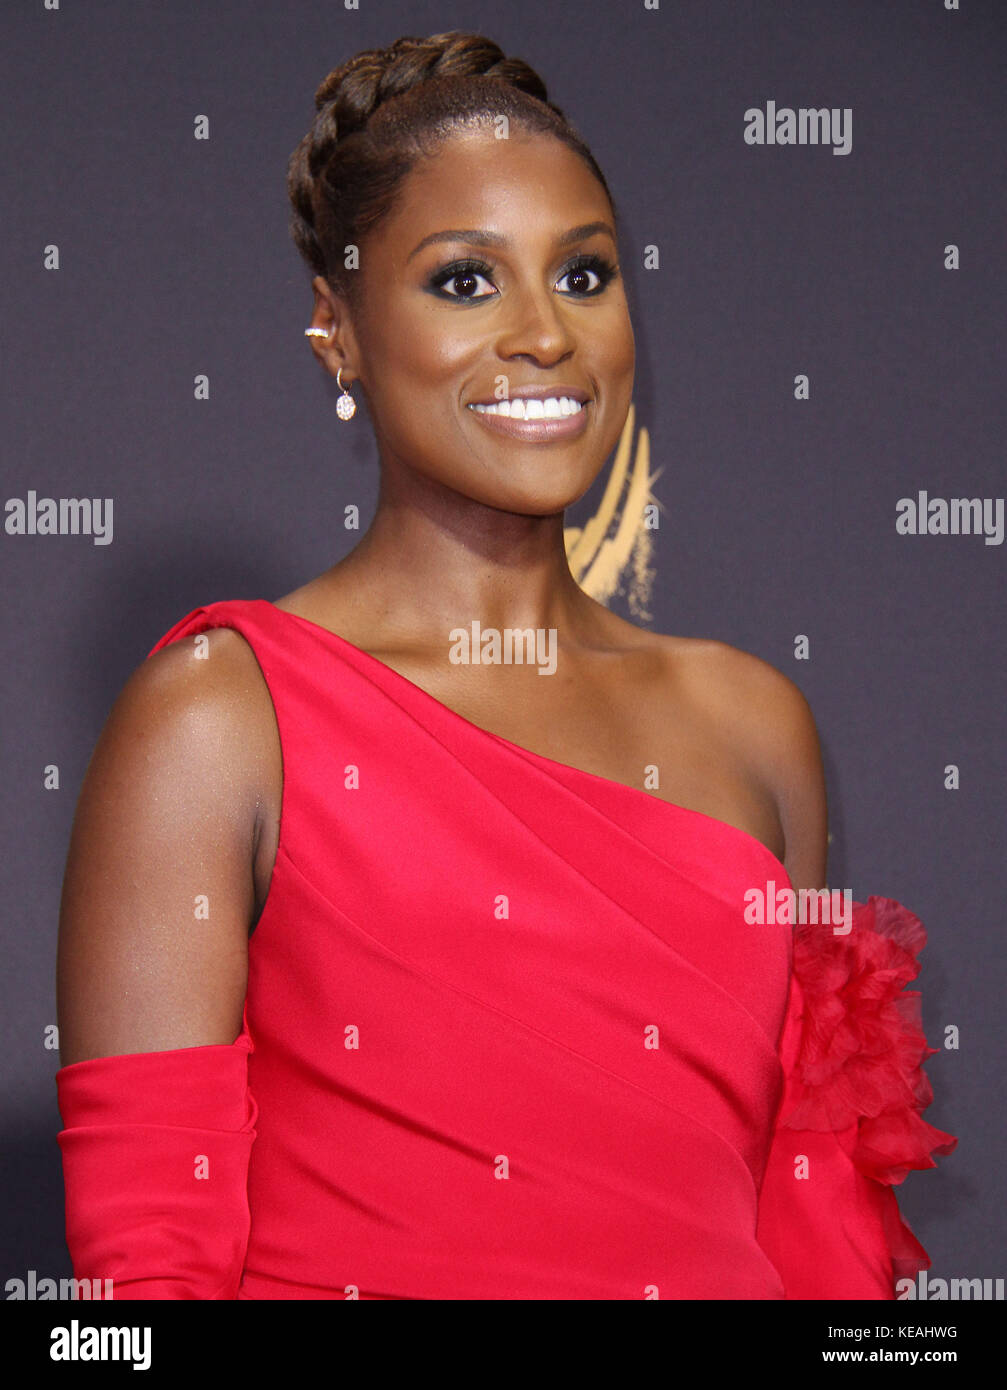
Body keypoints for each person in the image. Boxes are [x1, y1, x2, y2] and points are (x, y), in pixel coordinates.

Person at [55, 31, 955, 1300]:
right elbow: (148, 1280)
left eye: (583, 275)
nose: (543, 334)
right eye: (465, 283)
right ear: (338, 331)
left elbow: (816, 1235)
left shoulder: (755, 725)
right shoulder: (221, 711)